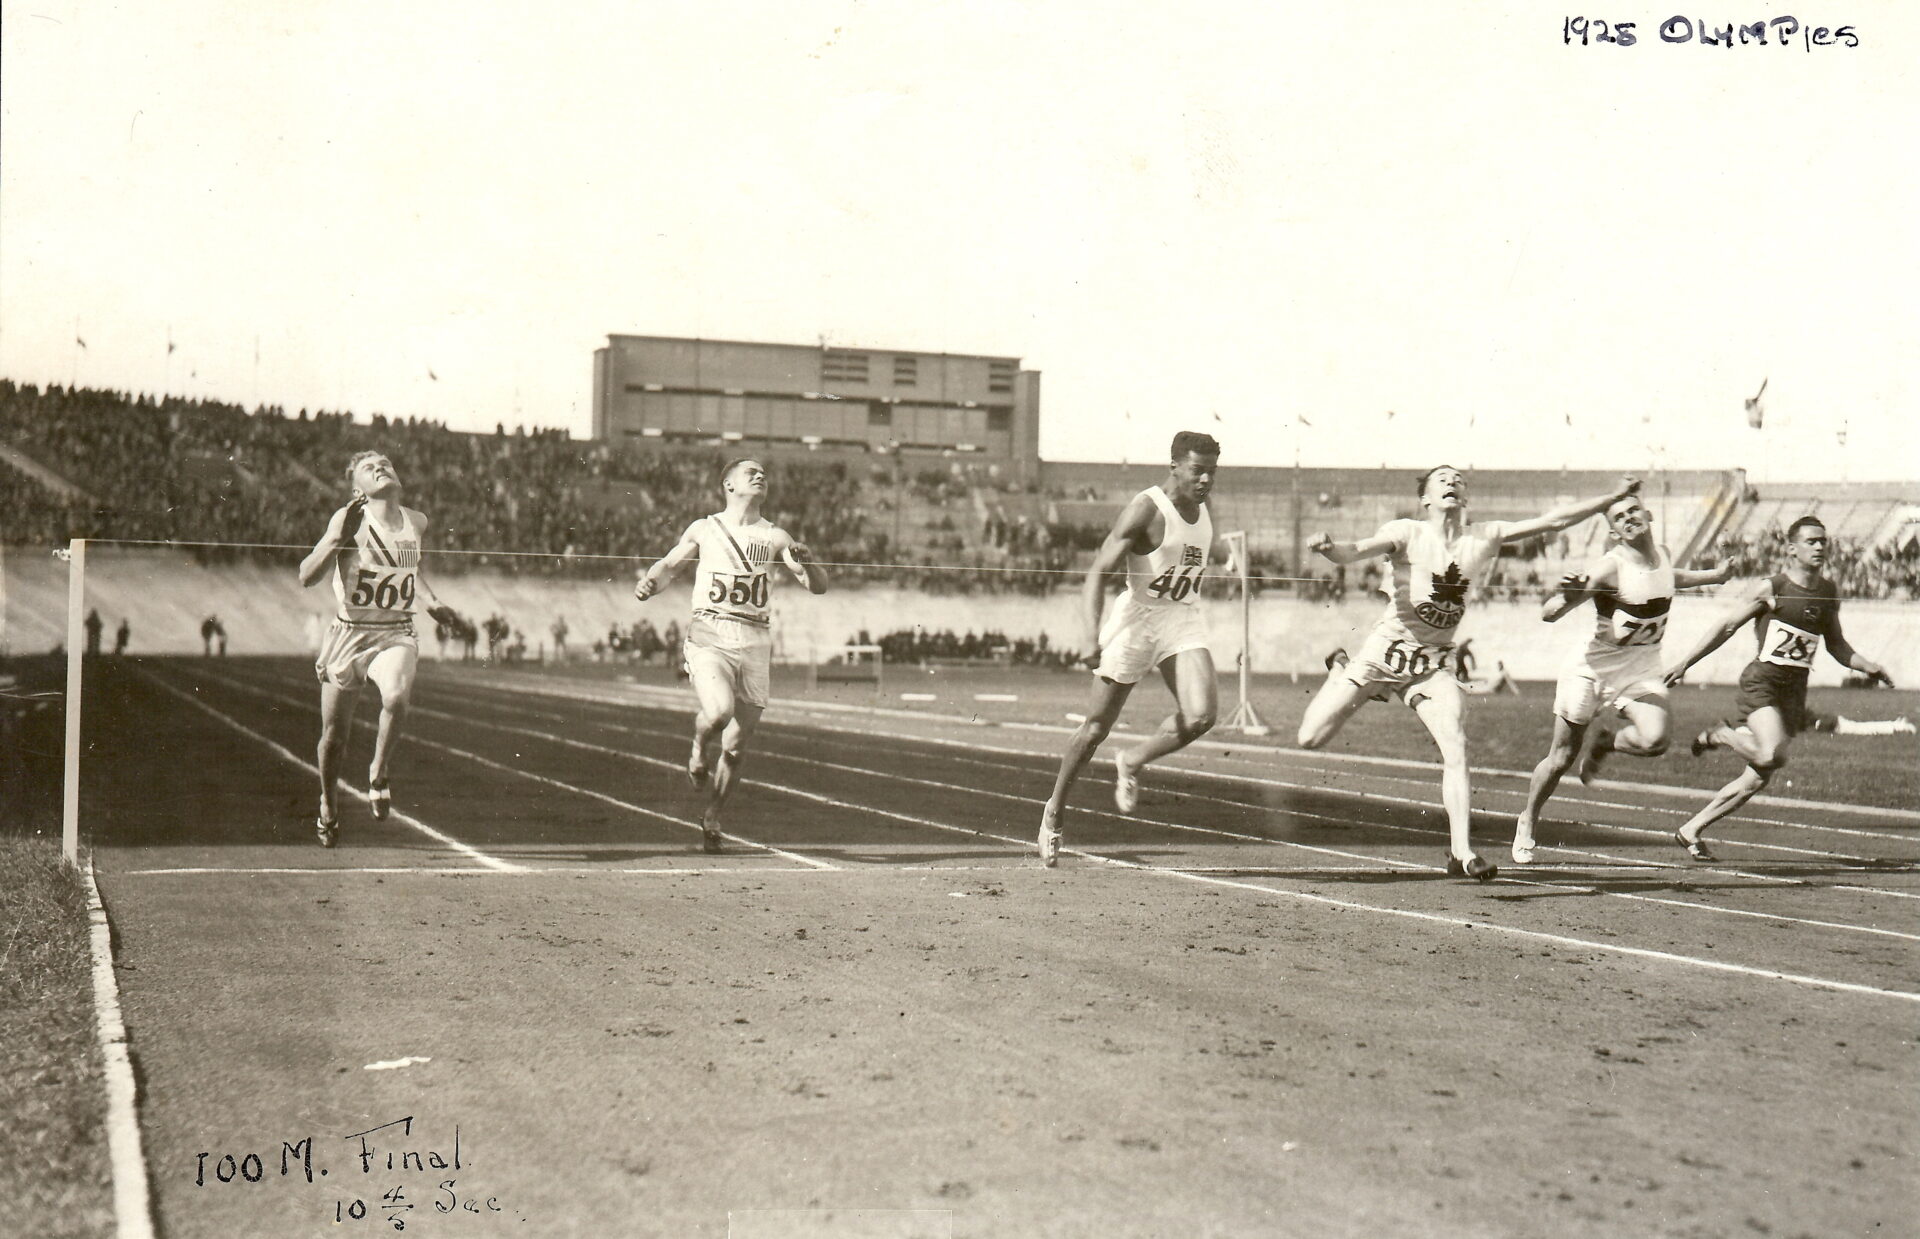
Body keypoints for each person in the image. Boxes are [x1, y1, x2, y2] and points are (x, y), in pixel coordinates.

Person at [1299, 466, 1642, 881]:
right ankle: (1340, 670)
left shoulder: (1484, 536)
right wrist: (1329, 548)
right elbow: (1354, 550)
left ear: (1465, 498)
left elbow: (1552, 521)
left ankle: (1462, 852)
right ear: (1425, 498)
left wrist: (1610, 498)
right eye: (1442, 478)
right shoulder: (1407, 532)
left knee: (1457, 745)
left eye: (1458, 479)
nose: (1451, 482)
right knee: (1310, 738)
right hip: (1384, 653)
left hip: (1433, 663)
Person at [1038, 431, 1231, 867]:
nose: (1206, 480)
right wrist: (1089, 636)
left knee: (1201, 716)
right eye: (1198, 471)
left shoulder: (1205, 507)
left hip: (1181, 617)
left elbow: (1190, 555)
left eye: (1212, 472)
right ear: (1175, 466)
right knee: (1094, 730)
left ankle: (1131, 761)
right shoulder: (1146, 508)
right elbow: (1098, 571)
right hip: (1137, 620)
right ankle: (1054, 811)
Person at [1508, 494, 1733, 863]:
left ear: (1647, 515)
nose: (1629, 518)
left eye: (1633, 511)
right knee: (1561, 757)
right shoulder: (1610, 567)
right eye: (1619, 517)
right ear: (1614, 532)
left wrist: (1716, 576)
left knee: (1656, 739)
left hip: (1640, 667)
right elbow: (1549, 613)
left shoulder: (1662, 555)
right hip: (1592, 668)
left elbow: (1670, 579)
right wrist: (1566, 596)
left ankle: (1607, 743)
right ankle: (1528, 818)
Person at [1662, 515, 1894, 860]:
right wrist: (1685, 663)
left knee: (1757, 777)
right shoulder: (1772, 587)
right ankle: (1722, 735)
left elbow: (1836, 644)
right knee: (1772, 754)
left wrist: (1867, 665)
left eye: (1823, 541)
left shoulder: (1827, 592)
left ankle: (1691, 829)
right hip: (1763, 684)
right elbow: (1726, 626)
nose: (1819, 547)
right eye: (1811, 541)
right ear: (1791, 549)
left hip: (1794, 693)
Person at [634, 459, 829, 852]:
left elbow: (818, 586)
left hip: (755, 640)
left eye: (764, 473)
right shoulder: (705, 528)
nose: (760, 476)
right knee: (720, 712)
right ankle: (697, 746)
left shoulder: (775, 537)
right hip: (711, 632)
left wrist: (809, 562)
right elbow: (669, 566)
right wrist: (650, 583)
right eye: (750, 472)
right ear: (728, 484)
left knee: (736, 747)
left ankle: (712, 816)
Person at [298, 450, 458, 848]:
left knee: (397, 696)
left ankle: (378, 771)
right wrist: (336, 538)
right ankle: (328, 802)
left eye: (385, 463)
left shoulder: (416, 521)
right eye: (369, 468)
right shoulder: (347, 519)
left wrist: (431, 601)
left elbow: (409, 567)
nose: (380, 468)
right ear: (358, 490)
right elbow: (306, 576)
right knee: (333, 738)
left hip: (395, 631)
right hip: (350, 635)